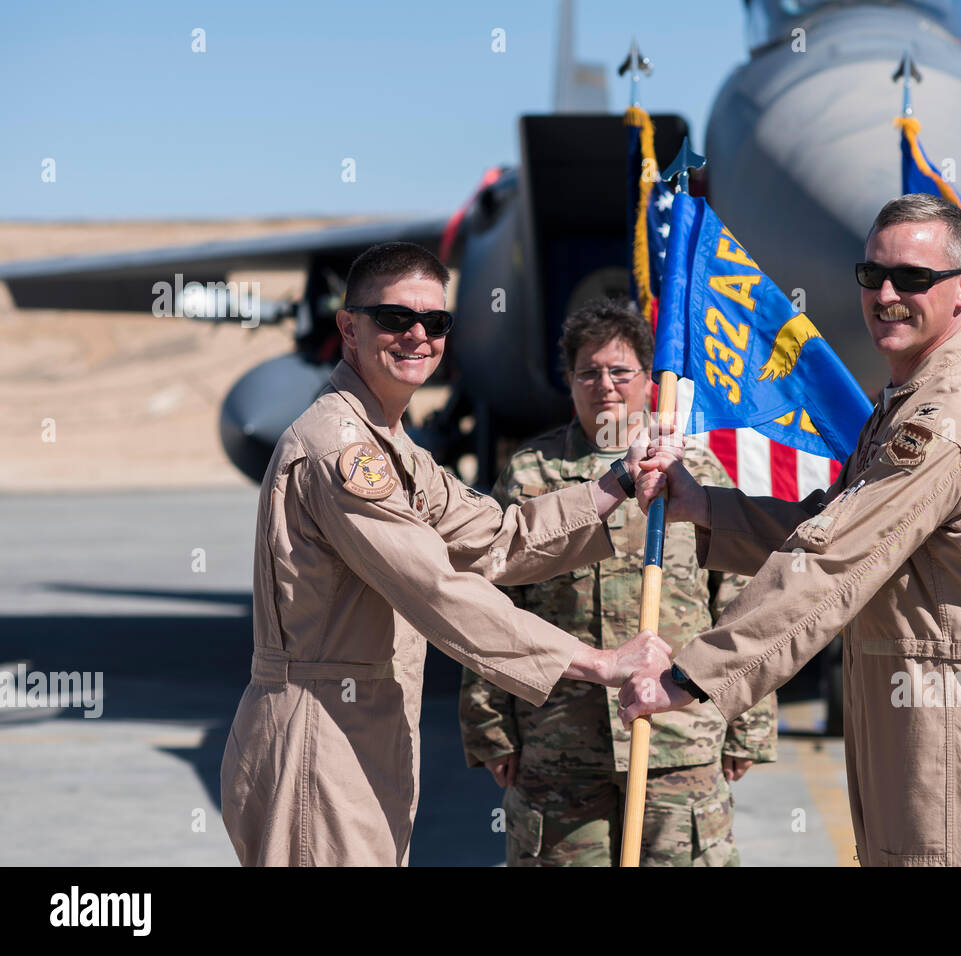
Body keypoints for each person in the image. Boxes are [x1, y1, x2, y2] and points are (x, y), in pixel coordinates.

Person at [621, 194, 961, 866]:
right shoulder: (904, 405)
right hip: (907, 713)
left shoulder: (944, 423)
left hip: (949, 728)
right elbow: (828, 523)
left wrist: (693, 676)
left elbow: (835, 560)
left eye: (912, 278)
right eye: (873, 275)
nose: (887, 295)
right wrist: (703, 506)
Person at [219, 242, 671, 867]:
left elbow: (497, 539)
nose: (417, 336)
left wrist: (615, 483)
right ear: (348, 328)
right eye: (395, 318)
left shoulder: (392, 446)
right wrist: (596, 662)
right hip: (317, 739)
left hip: (363, 732)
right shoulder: (341, 451)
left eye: (435, 322)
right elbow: (437, 591)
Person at [458, 298, 776, 867]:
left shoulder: (693, 472)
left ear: (650, 381)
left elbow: (741, 603)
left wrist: (749, 722)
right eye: (588, 371)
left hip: (678, 735)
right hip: (558, 742)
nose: (605, 385)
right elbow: (488, 602)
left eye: (620, 370)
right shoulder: (534, 473)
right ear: (570, 380)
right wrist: (490, 726)